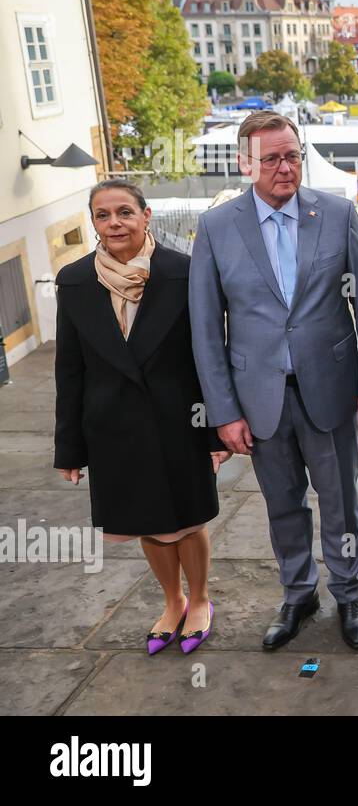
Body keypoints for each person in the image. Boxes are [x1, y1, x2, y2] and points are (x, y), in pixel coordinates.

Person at [190, 110, 358, 652]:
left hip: (332, 390)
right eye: (270, 159)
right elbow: (206, 328)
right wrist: (224, 411)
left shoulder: (338, 214)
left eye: (292, 156)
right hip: (259, 400)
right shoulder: (216, 228)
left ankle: (349, 594)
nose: (285, 168)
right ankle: (298, 594)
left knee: (341, 502)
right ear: (245, 164)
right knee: (282, 505)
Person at [56, 180, 225, 655]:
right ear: (94, 222)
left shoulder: (185, 272)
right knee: (148, 522)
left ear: (146, 216)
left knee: (187, 519)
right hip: (113, 427)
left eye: (125, 212)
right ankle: (173, 602)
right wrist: (69, 447)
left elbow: (210, 355)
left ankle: (200, 600)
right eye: (103, 215)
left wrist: (216, 431)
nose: (115, 223)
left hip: (180, 421)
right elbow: (69, 369)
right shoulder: (74, 280)